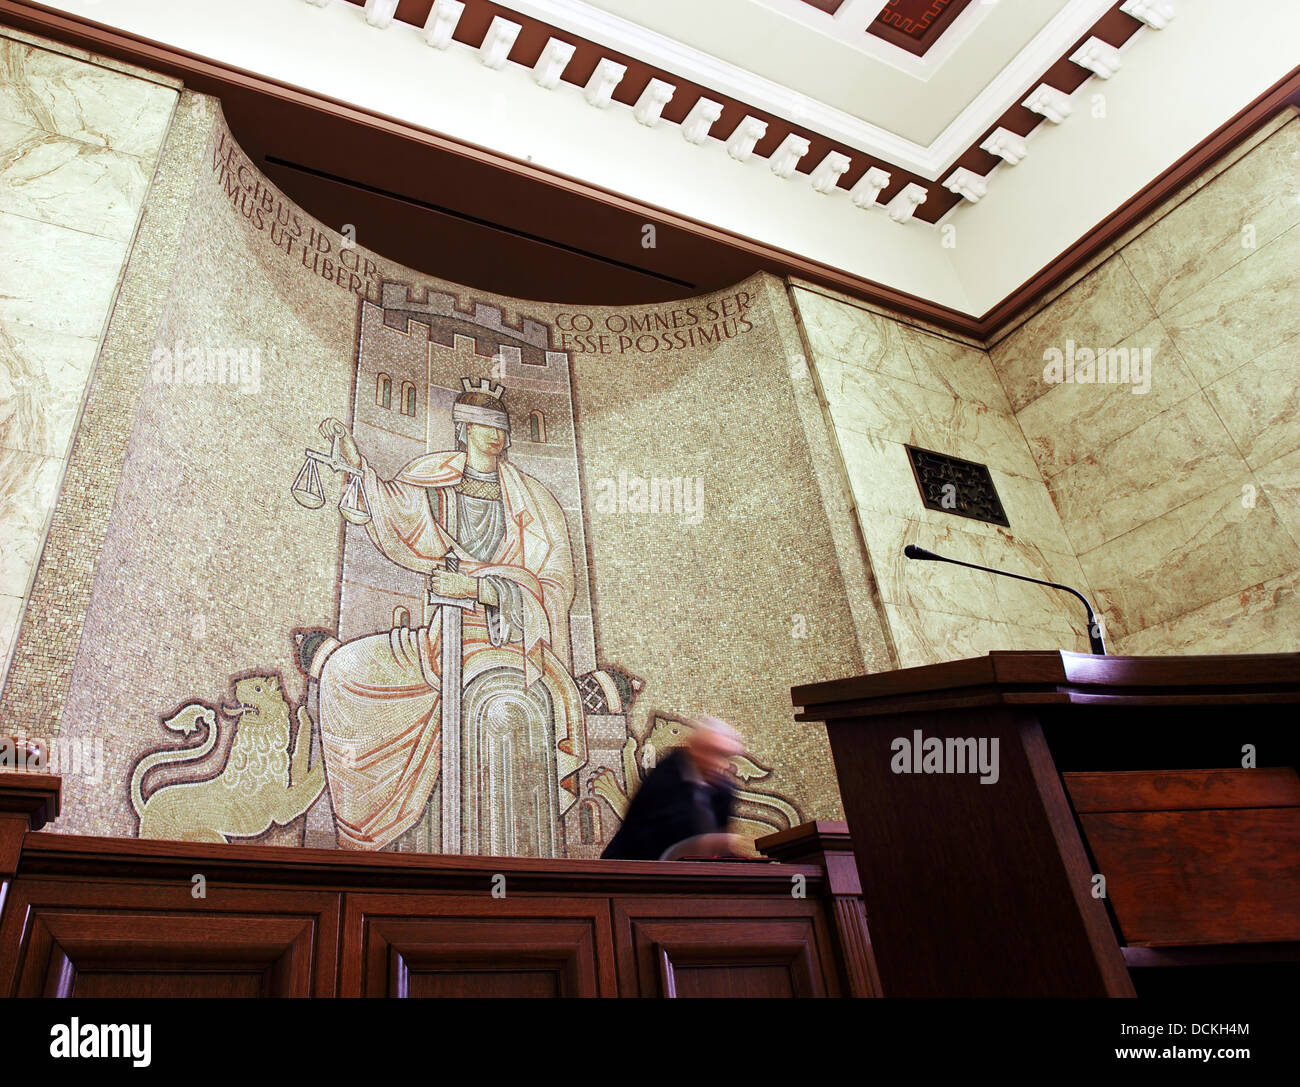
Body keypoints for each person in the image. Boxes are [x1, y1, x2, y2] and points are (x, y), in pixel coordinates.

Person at [313, 380, 587, 852]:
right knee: (341, 671)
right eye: (484, 424)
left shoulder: (536, 506)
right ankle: (366, 841)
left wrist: (481, 588)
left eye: (500, 424)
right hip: (438, 641)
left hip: (507, 643)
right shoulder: (435, 487)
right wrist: (357, 465)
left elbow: (554, 590)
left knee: (504, 709)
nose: (494, 434)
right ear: (462, 429)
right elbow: (395, 507)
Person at [600, 716, 745, 860]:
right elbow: (650, 835)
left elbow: (722, 843)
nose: (720, 763)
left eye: (725, 756)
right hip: (632, 868)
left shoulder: (723, 790)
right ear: (695, 749)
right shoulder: (667, 776)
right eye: (712, 753)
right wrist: (704, 842)